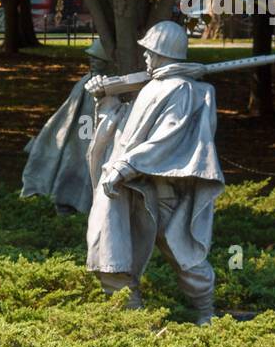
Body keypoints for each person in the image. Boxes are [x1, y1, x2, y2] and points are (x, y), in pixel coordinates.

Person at [85, 21, 222, 325]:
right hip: (133, 188)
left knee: (182, 253)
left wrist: (125, 166)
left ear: (162, 52)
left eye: (150, 50)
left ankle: (206, 314)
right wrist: (105, 99)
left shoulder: (183, 89)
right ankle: (132, 320)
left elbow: (168, 137)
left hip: (162, 191)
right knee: (119, 251)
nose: (145, 55)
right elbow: (126, 130)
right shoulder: (154, 86)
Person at [20, 39, 113, 214]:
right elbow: (71, 111)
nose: (92, 61)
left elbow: (94, 116)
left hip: (91, 136)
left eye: (97, 59)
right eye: (91, 58)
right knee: (68, 164)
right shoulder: (86, 82)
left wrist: (88, 136)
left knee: (87, 170)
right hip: (78, 135)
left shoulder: (108, 86)